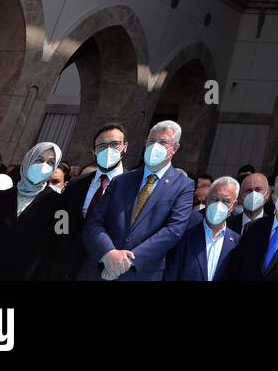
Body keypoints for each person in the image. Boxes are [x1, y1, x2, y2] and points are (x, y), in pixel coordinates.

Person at [81, 120, 194, 281]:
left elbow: (173, 230)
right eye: (152, 141)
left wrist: (127, 261)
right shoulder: (121, 181)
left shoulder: (183, 185)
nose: (155, 146)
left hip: (142, 274)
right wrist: (109, 253)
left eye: (163, 142)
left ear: (174, 148)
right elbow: (94, 222)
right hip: (103, 270)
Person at [0, 141, 64, 280]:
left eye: (50, 163)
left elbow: (61, 247)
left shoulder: (61, 206)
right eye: (39, 159)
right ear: (28, 160)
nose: (43, 166)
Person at [56, 122, 127, 280]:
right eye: (102, 146)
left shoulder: (132, 186)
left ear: (125, 146)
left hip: (104, 269)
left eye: (115, 144)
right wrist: (59, 245)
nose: (108, 150)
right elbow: (62, 217)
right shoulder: (77, 183)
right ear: (94, 151)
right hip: (68, 265)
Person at [165, 177, 241, 281]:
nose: (219, 205)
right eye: (214, 199)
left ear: (233, 206)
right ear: (206, 200)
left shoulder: (238, 243)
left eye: (225, 201)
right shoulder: (184, 237)